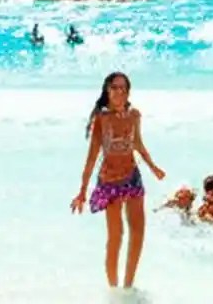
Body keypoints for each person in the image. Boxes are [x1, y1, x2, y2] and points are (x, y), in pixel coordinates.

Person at [70, 72, 166, 290]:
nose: (119, 92)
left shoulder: (135, 115)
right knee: (116, 236)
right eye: (115, 88)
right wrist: (82, 191)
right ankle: (113, 291)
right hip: (110, 181)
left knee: (138, 232)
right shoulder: (101, 119)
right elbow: (92, 155)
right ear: (107, 90)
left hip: (132, 177)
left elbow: (138, 144)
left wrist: (153, 167)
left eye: (123, 88)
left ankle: (128, 287)